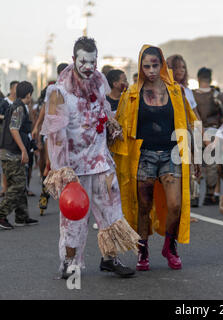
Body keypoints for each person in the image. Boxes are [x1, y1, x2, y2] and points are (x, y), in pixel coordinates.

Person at [41, 37, 140, 279]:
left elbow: (103, 113)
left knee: (112, 214)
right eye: (83, 61)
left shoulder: (98, 83)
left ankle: (110, 258)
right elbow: (55, 137)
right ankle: (69, 263)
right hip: (74, 169)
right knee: (74, 220)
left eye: (92, 61)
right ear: (74, 59)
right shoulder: (58, 92)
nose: (88, 67)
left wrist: (111, 126)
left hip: (101, 163)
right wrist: (62, 171)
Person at [111, 45, 199, 272]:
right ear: (140, 67)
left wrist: (196, 155)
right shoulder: (131, 94)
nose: (151, 70)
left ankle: (170, 246)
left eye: (155, 65)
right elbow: (119, 127)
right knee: (143, 207)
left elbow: (189, 124)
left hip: (171, 154)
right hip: (143, 156)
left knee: (175, 204)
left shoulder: (176, 92)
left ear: (162, 66)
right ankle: (143, 249)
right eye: (146, 66)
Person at [0, 81, 39, 230]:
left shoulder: (17, 106)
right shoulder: (18, 109)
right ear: (28, 94)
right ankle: (1, 214)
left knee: (20, 185)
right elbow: (14, 129)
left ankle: (21, 216)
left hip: (9, 152)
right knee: (18, 186)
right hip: (12, 153)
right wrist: (24, 150)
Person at [166, 55, 202, 214]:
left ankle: (185, 213)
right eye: (177, 67)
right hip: (169, 136)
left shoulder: (187, 90)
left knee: (187, 173)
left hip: (186, 134)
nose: (181, 70)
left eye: (183, 67)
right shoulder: (166, 88)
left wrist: (201, 132)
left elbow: (194, 114)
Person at [32, 63, 69, 216]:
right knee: (49, 167)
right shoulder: (53, 89)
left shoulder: (74, 89)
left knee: (67, 171)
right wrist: (37, 126)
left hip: (69, 136)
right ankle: (44, 198)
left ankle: (68, 202)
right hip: (53, 135)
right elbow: (44, 109)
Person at [193, 67, 223, 206]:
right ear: (210, 78)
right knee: (212, 165)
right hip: (213, 131)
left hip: (195, 131)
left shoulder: (192, 95)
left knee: (195, 164)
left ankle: (194, 196)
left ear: (198, 78)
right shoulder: (216, 95)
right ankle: (210, 195)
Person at [0, 81, 19, 196]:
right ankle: (5, 187)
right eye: (16, 88)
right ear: (11, 89)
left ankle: (22, 187)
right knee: (5, 162)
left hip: (17, 136)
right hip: (5, 135)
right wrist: (8, 117)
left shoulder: (20, 103)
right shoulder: (4, 103)